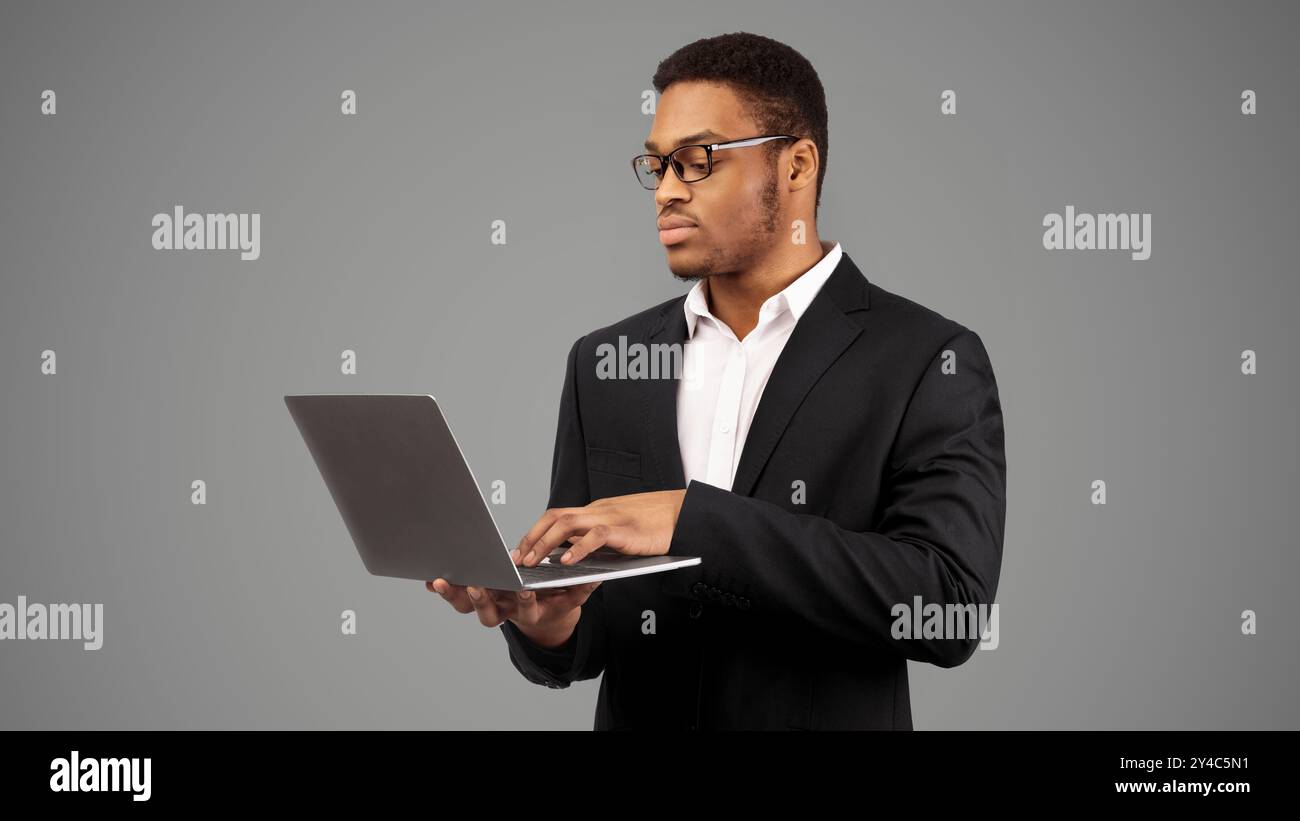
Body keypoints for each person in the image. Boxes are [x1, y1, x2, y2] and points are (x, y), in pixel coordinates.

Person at [428, 31, 1007, 730]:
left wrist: (689, 519)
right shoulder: (605, 360)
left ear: (795, 166)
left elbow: (948, 607)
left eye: (697, 160)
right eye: (656, 164)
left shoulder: (928, 358)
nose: (667, 191)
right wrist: (548, 623)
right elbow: (597, 630)